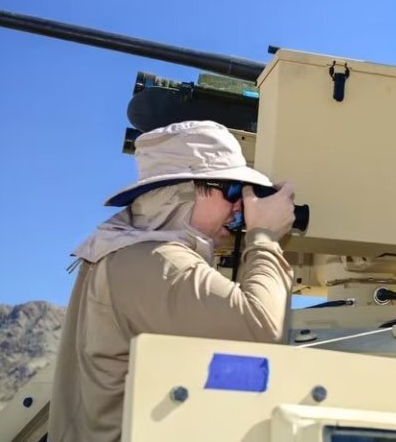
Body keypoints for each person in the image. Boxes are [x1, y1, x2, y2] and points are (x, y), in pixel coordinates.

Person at [49, 120, 297, 442]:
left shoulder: (129, 254)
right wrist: (264, 236)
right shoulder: (153, 260)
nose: (240, 206)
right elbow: (262, 328)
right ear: (185, 191)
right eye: (232, 190)